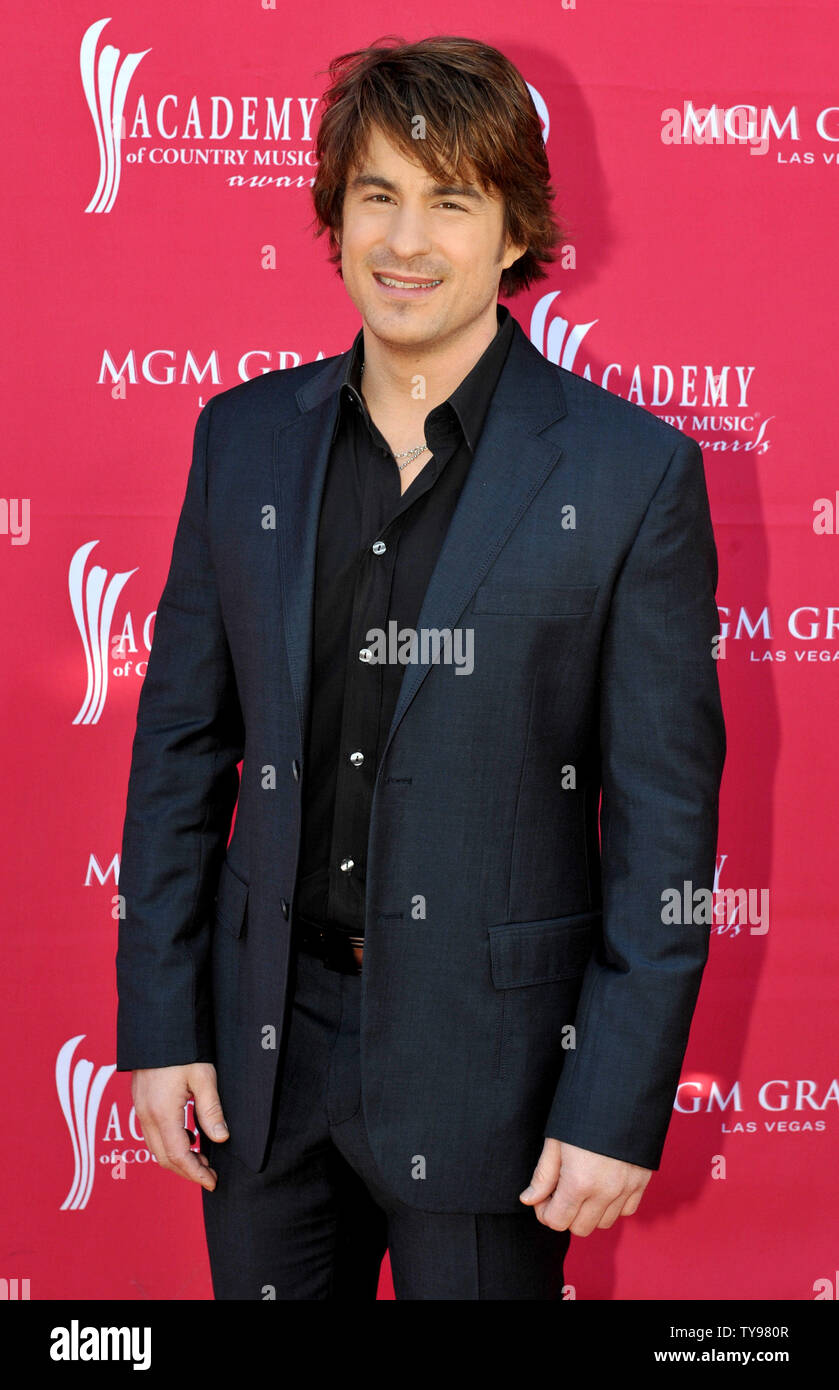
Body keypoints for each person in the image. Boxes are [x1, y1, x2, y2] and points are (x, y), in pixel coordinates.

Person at [116, 35, 726, 1300]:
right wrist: (163, 1026)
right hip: (261, 1071)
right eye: (376, 194)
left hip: (496, 1078)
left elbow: (664, 827)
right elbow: (180, 747)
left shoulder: (627, 476)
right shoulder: (240, 443)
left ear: (514, 233)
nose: (405, 239)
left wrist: (612, 1100)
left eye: (450, 200)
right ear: (333, 215)